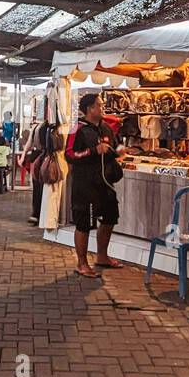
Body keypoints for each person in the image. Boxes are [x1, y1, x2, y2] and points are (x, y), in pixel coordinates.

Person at [65, 92, 123, 277]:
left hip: (106, 184)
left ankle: (102, 256)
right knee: (84, 224)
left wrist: (119, 151)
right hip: (85, 186)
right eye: (99, 104)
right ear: (90, 108)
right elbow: (70, 154)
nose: (102, 107)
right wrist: (92, 151)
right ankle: (82, 263)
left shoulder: (106, 128)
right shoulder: (77, 129)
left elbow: (113, 148)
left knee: (110, 218)